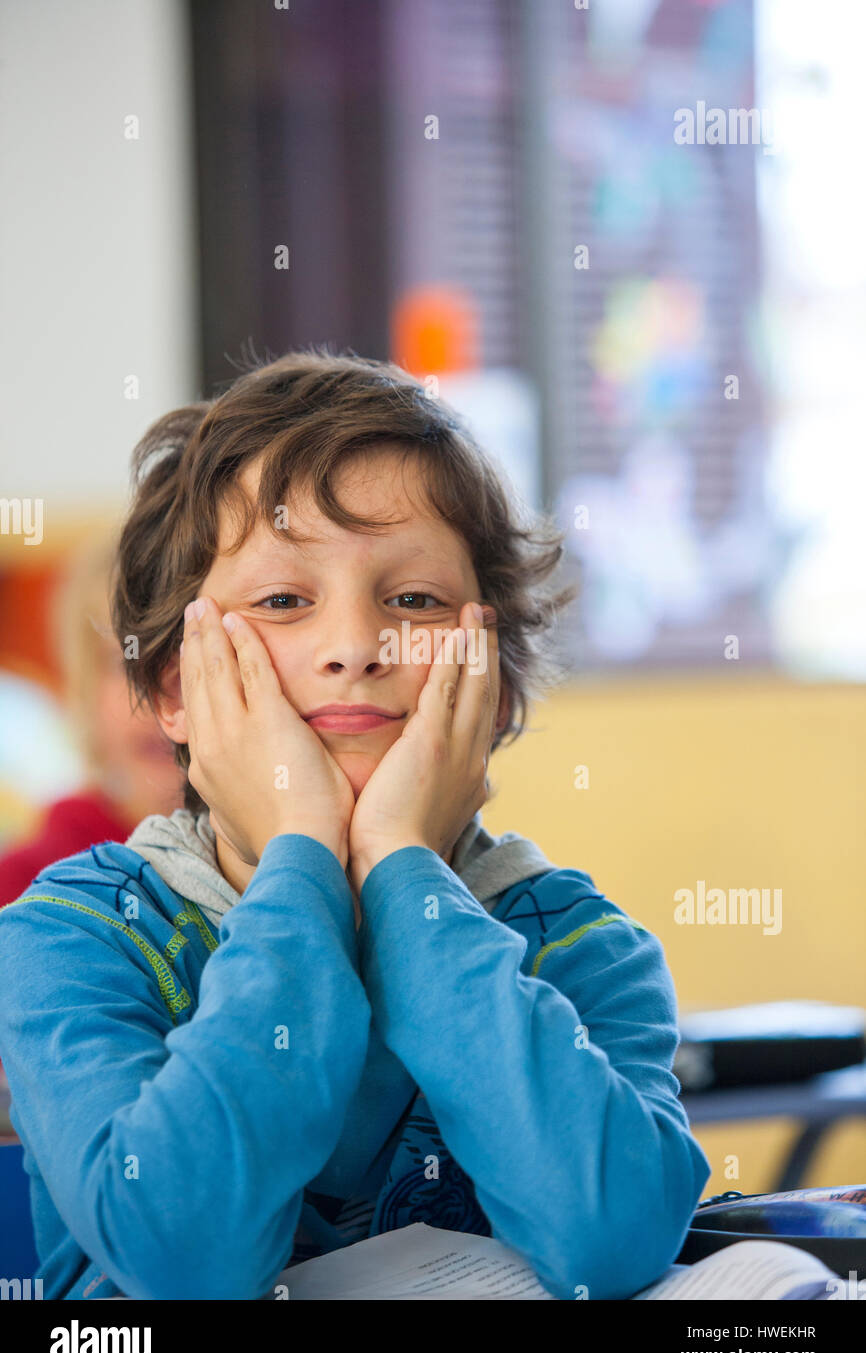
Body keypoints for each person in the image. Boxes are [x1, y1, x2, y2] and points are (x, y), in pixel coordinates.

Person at [0, 349, 711, 1301]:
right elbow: (184, 1259)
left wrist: (401, 867)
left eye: (412, 600)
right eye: (284, 601)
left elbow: (612, 1239)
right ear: (176, 686)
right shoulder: (74, 936)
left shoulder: (582, 946)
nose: (353, 649)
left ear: (490, 684)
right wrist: (302, 856)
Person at [0, 533, 184, 906]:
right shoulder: (25, 884)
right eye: (125, 662)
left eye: (190, 655)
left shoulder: (293, 862)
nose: (157, 696)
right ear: (84, 690)